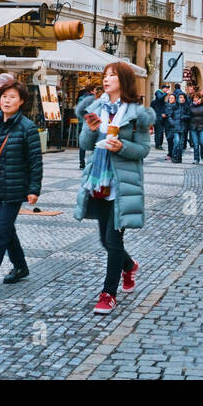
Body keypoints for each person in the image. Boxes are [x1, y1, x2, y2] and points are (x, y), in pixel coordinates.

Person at [75, 62, 151, 315]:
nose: (106, 80)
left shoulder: (137, 114)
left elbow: (143, 150)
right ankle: (128, 266)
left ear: (124, 80)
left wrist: (122, 148)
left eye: (112, 75)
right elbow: (84, 144)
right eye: (105, 76)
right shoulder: (96, 107)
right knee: (105, 240)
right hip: (98, 180)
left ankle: (108, 294)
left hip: (122, 182)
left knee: (113, 238)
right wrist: (91, 128)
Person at [0, 80, 42, 300]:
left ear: (21, 101)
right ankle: (21, 266)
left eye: (12, 97)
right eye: (4, 96)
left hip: (14, 188)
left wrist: (33, 189)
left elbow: (35, 161)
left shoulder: (27, 127)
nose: (7, 101)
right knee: (7, 230)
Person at [188, 91, 203, 164]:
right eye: (194, 98)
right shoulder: (190, 106)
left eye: (196, 97)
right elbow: (188, 115)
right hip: (193, 127)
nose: (195, 99)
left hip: (202, 126)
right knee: (195, 144)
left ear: (200, 98)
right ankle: (196, 159)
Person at [168, 91, 190, 164]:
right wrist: (172, 123)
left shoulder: (186, 107)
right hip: (176, 127)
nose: (182, 99)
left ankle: (179, 157)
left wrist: (185, 117)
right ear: (177, 98)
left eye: (183, 97)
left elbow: (190, 116)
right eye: (180, 97)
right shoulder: (174, 106)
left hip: (183, 128)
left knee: (181, 144)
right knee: (176, 142)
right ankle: (174, 156)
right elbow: (169, 116)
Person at [152, 84, 169, 157]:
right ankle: (158, 145)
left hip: (160, 117)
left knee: (160, 132)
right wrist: (165, 94)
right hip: (157, 117)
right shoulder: (158, 96)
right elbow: (159, 97)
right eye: (166, 88)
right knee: (159, 131)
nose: (167, 90)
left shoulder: (163, 102)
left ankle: (158, 144)